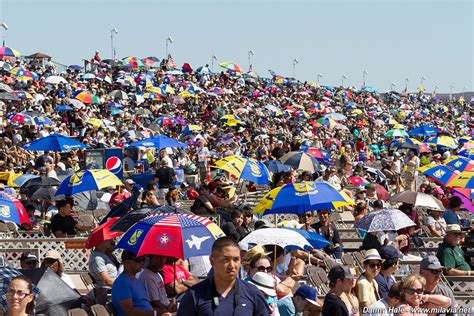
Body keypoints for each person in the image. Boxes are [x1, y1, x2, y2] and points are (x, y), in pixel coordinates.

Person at [177, 236, 269, 315]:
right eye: (225, 260)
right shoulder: (194, 295)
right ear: (212, 261)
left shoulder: (252, 293)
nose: (232, 265)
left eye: (236, 259)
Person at [111, 250, 154, 316]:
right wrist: (155, 313)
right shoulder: (122, 283)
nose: (142, 263)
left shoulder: (137, 281)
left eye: (143, 260)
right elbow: (129, 312)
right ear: (127, 262)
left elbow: (143, 304)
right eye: (139, 260)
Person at [88, 239, 118, 305]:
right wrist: (124, 287)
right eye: (108, 239)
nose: (111, 240)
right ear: (100, 242)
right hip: (110, 291)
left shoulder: (102, 255)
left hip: (112, 290)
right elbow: (107, 281)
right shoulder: (98, 258)